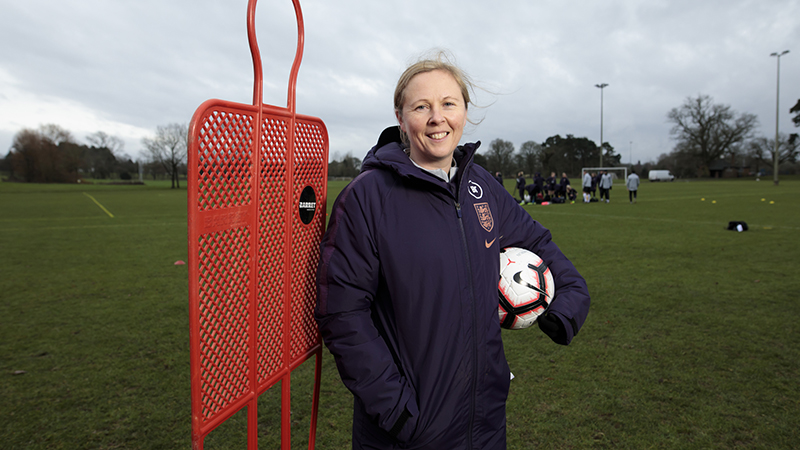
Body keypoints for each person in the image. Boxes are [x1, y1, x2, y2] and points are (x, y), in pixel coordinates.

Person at [315, 53, 591, 450]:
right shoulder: (367, 197)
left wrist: (570, 299)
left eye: (448, 103)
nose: (436, 118)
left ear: (464, 110)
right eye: (421, 106)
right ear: (400, 117)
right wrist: (396, 409)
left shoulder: (480, 185)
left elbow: (537, 243)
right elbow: (342, 312)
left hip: (485, 422)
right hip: (408, 430)